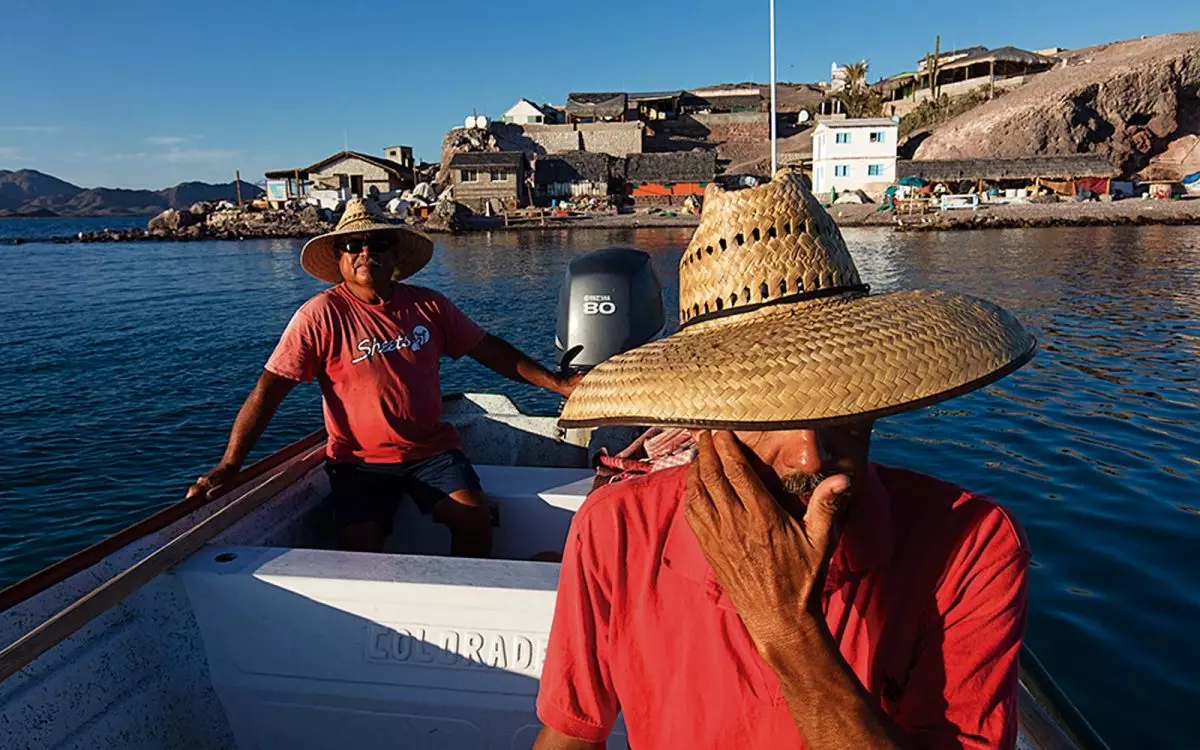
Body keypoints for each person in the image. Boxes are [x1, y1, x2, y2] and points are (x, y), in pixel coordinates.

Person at [535, 170, 1037, 749]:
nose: (809, 453)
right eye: (764, 414)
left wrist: (788, 629)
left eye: (842, 405)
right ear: (702, 415)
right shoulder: (617, 530)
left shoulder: (971, 544)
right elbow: (570, 733)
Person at [187, 198, 578, 557]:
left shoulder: (429, 305)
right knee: (360, 554)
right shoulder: (319, 315)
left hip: (431, 452)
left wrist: (558, 384)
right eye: (353, 245)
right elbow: (270, 388)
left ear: (395, 255)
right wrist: (230, 464)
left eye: (377, 243)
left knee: (474, 519)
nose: (365, 252)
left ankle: (464, 599)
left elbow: (490, 350)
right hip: (358, 463)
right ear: (339, 257)